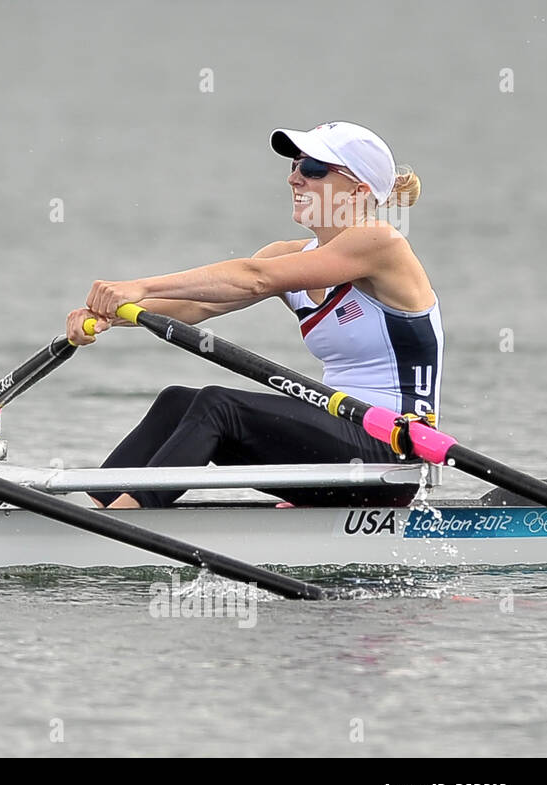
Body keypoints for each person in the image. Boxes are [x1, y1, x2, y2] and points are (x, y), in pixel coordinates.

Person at [66, 121, 439, 509]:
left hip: (391, 454)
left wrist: (140, 287)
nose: (294, 179)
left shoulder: (382, 243)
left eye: (313, 169)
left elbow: (254, 279)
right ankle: (96, 508)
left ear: (360, 190)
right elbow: (200, 305)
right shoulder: (290, 255)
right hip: (341, 445)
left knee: (218, 406)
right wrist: (111, 316)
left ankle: (124, 524)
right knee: (176, 402)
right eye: (295, 166)